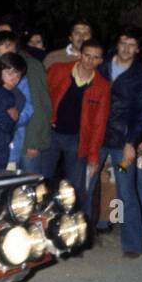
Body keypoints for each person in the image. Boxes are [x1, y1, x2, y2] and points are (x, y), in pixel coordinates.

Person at [96, 27, 142, 258]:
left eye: (132, 44)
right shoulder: (101, 67)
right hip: (97, 139)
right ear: (117, 44)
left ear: (138, 49)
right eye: (123, 42)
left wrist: (132, 142)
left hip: (123, 145)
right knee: (86, 185)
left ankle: (132, 244)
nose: (127, 48)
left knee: (126, 190)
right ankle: (81, 237)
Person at [43, 40, 111, 226]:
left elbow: (99, 124)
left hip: (77, 140)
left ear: (100, 61)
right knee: (43, 182)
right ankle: (43, 225)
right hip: (52, 134)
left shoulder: (102, 86)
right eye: (87, 55)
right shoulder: (58, 70)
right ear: (80, 54)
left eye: (95, 57)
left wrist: (93, 155)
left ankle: (75, 229)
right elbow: (42, 100)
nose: (90, 60)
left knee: (76, 188)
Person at [0, 31, 51, 173]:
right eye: (2, 46)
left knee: (26, 185)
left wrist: (34, 142)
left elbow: (36, 106)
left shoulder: (28, 69)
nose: (6, 49)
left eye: (9, 45)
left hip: (20, 140)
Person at [0, 51, 34, 171]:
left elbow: (11, 122)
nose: (14, 77)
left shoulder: (19, 96)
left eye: (18, 75)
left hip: (8, 152)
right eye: (9, 72)